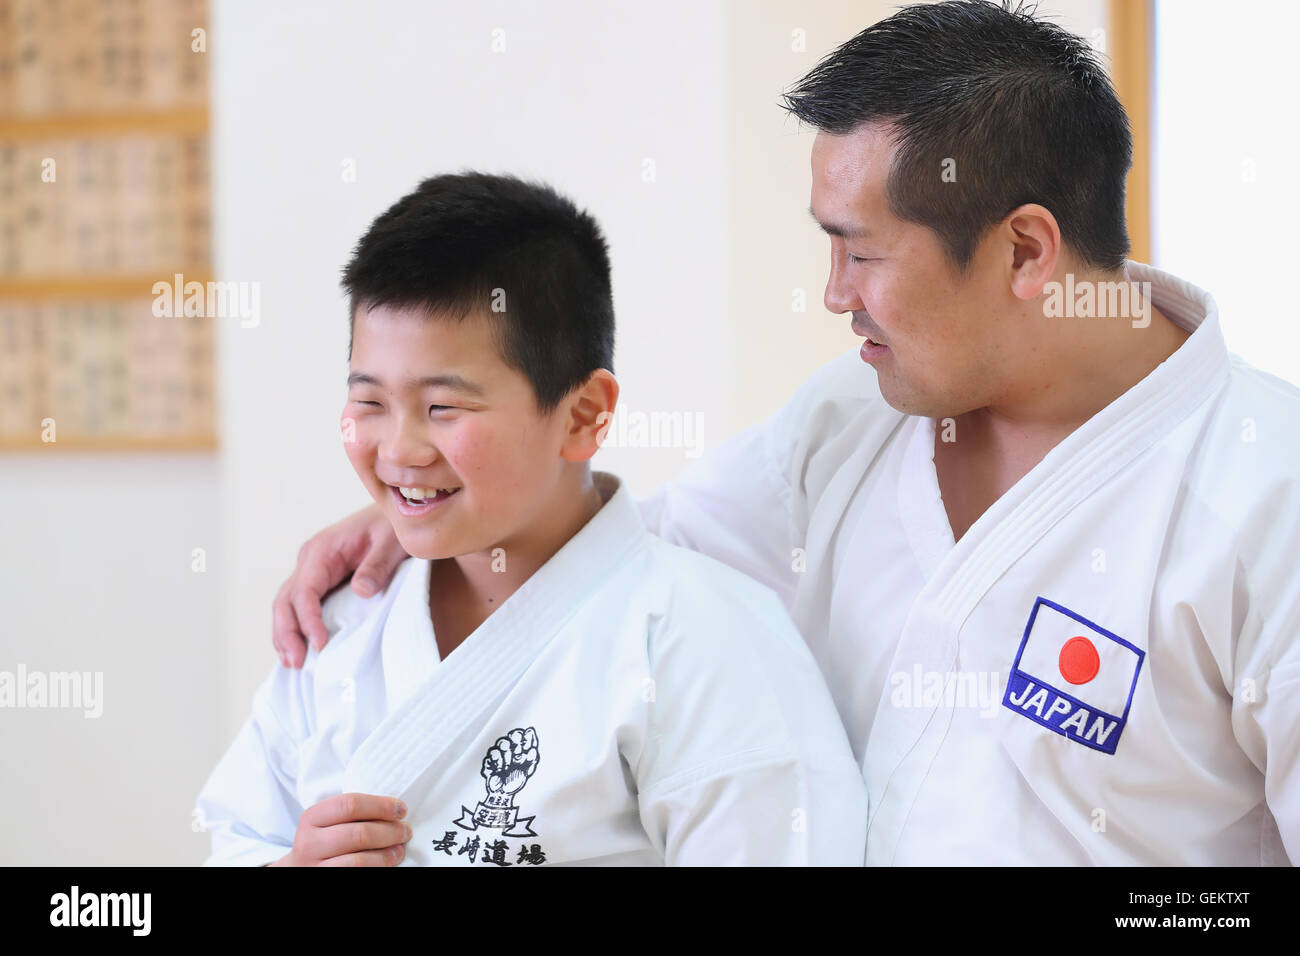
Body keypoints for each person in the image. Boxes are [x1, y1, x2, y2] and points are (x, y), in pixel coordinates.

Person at [272, 1, 1300, 866]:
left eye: (861, 254)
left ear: (1025, 249)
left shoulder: (1265, 496)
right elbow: (625, 565)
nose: (831, 294)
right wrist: (429, 509)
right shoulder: (847, 422)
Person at [196, 172, 866, 866]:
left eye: (442, 408)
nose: (396, 450)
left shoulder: (702, 641)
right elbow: (238, 839)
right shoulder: (339, 625)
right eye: (369, 403)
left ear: (582, 415)